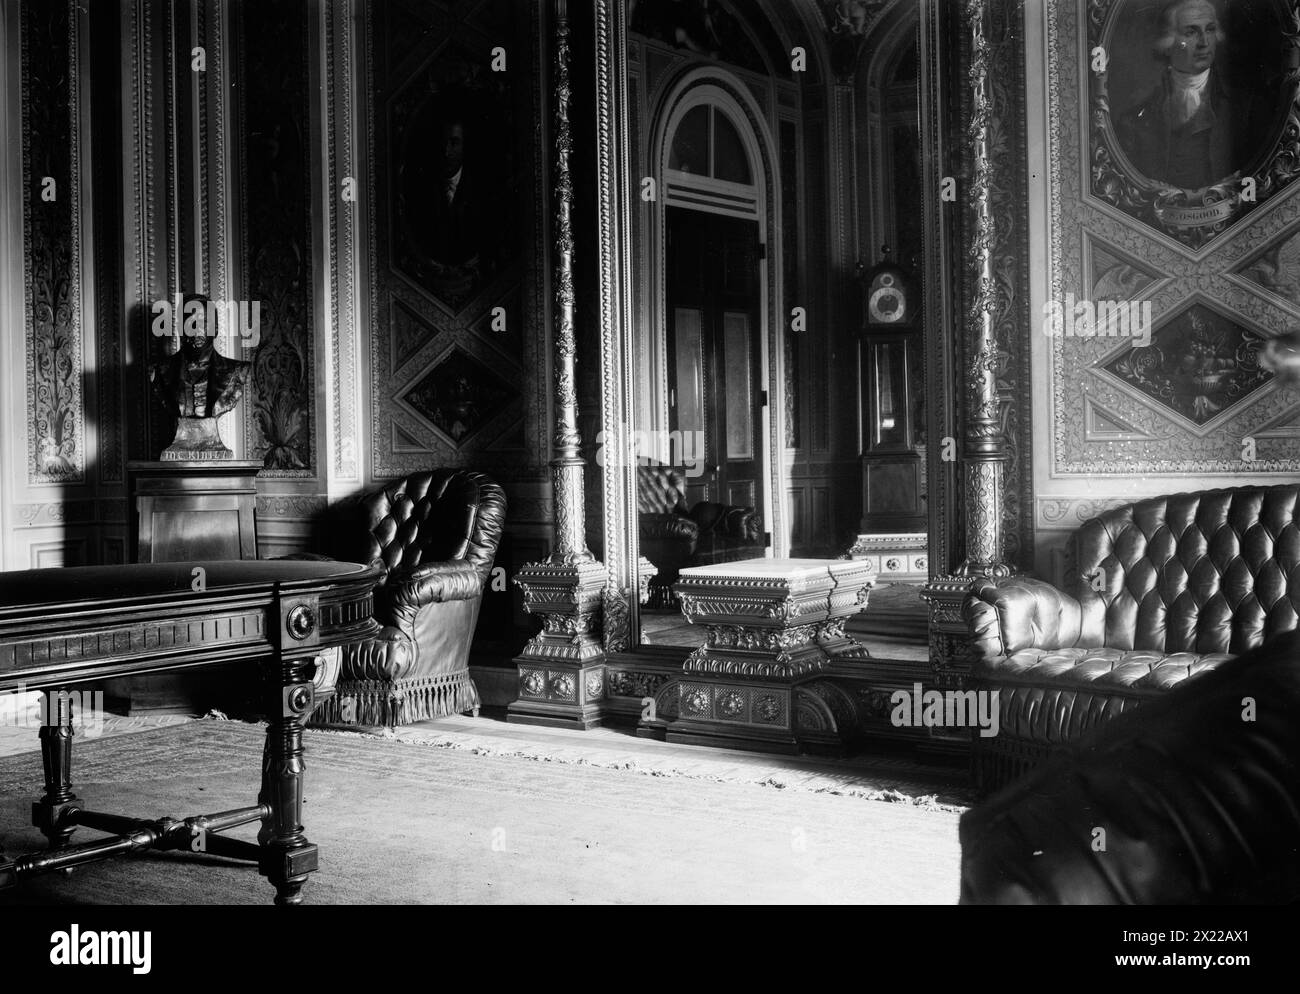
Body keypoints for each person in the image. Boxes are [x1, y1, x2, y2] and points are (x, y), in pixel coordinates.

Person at [1114, 0, 1257, 190]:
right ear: (1168, 42)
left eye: (1210, 29)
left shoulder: (1246, 108)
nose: (1204, 43)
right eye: (1191, 32)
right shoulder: (1135, 120)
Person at [149, 293, 250, 421]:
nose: (196, 328)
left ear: (216, 329)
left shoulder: (237, 371)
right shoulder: (159, 371)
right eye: (190, 321)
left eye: (204, 322)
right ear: (180, 329)